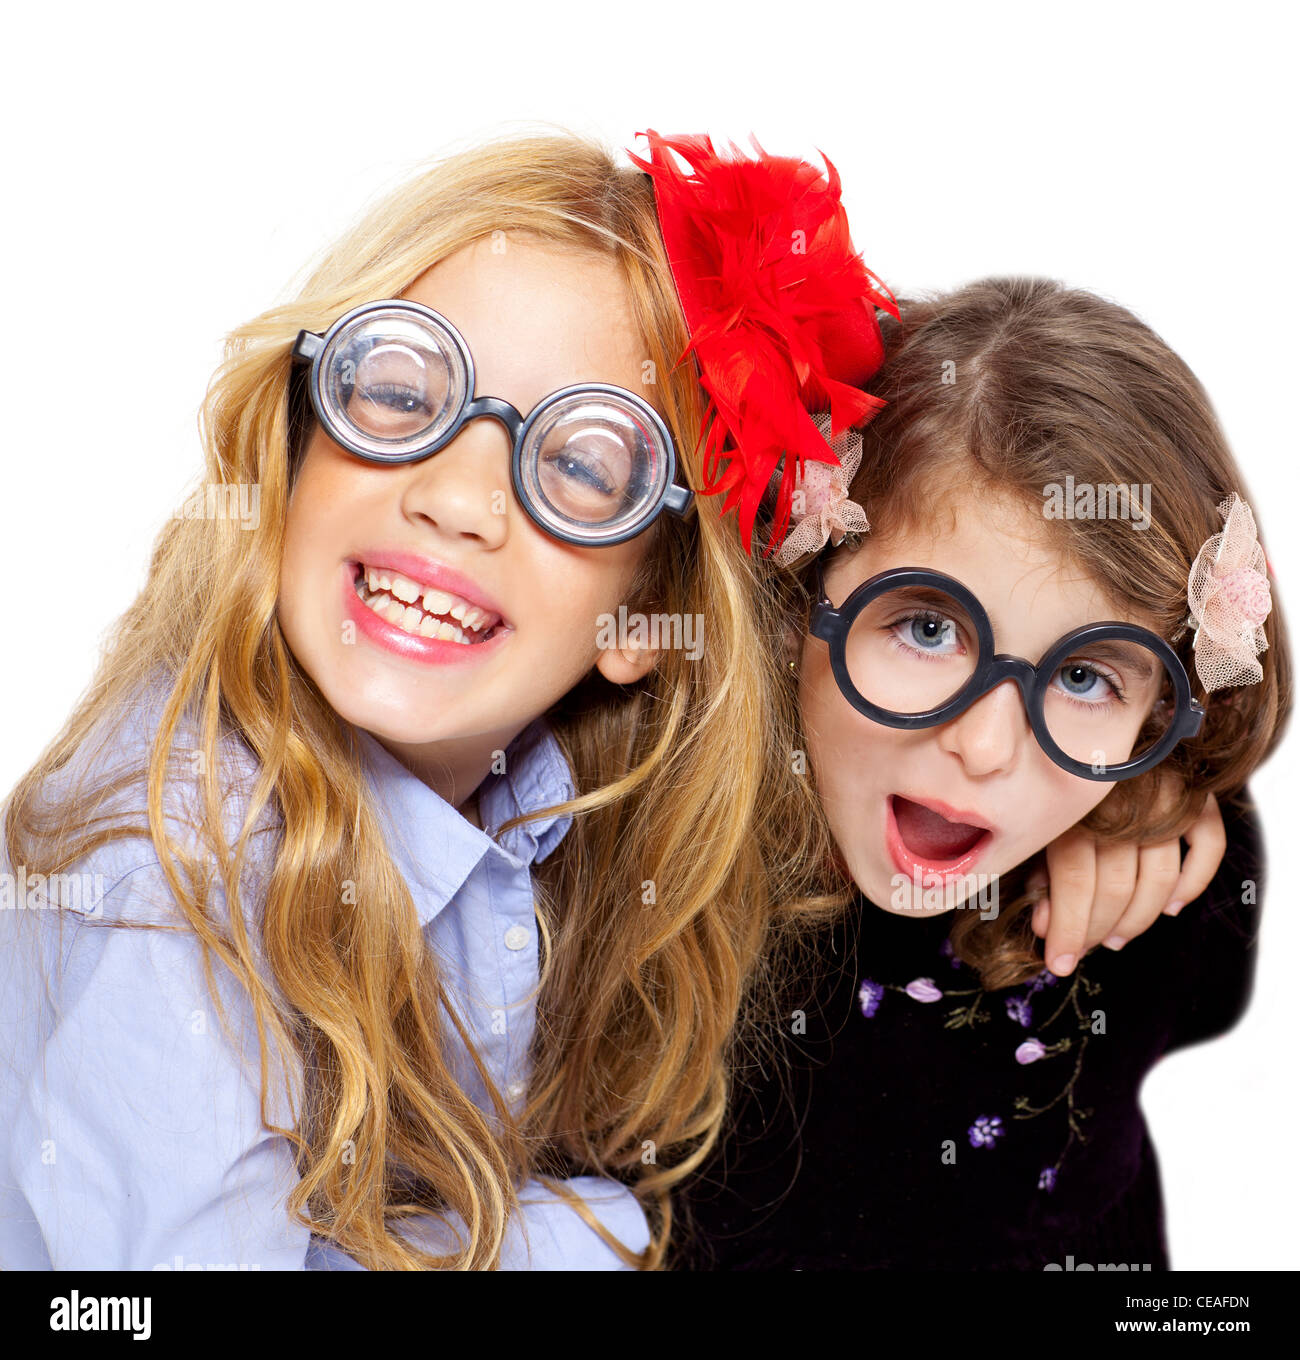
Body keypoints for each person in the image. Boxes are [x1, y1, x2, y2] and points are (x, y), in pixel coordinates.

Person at [0, 129, 852, 1271]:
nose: (458, 499)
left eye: (584, 469)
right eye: (402, 389)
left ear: (645, 619)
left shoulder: (532, 794)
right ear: (299, 439)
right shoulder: (176, 879)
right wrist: (564, 1239)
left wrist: (1155, 797)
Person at [679, 277, 1288, 1270]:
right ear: (793, 600)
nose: (989, 746)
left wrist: (1146, 803)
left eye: (1085, 675)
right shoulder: (628, 877)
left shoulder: (1165, 906)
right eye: (925, 628)